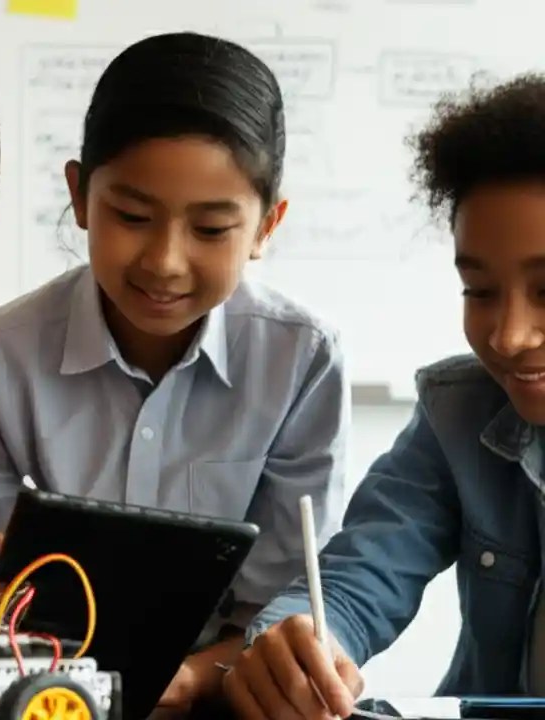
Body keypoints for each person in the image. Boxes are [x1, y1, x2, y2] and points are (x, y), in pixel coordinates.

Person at [0, 31, 348, 711]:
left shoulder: (303, 361)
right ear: (80, 195)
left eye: (211, 230)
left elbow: (284, 610)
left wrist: (183, 683)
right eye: (130, 215)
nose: (164, 262)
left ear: (268, 225)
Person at [225, 74, 545, 720]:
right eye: (478, 291)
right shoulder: (463, 415)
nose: (508, 336)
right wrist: (295, 645)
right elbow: (356, 579)